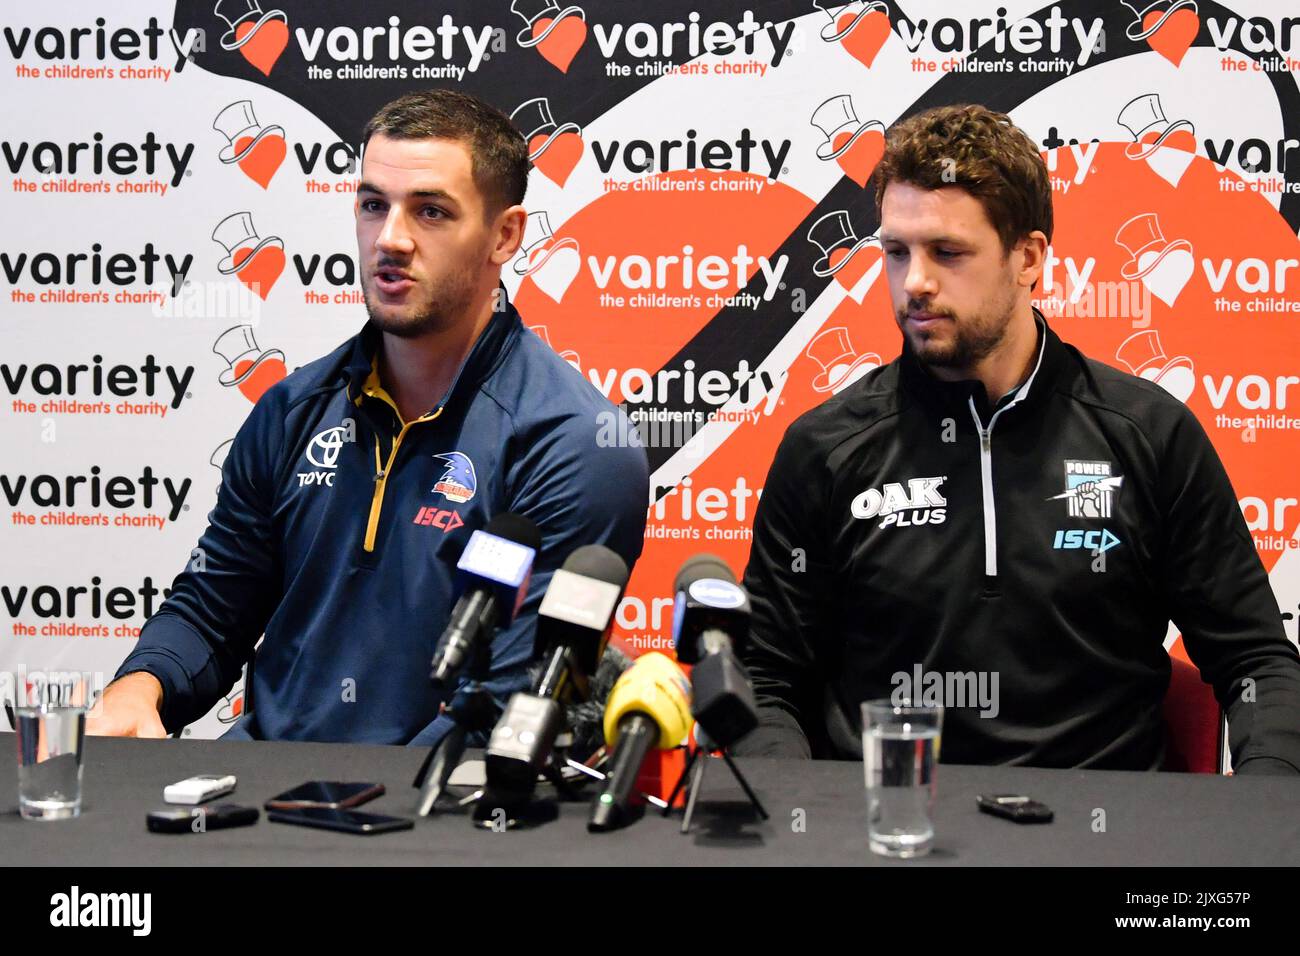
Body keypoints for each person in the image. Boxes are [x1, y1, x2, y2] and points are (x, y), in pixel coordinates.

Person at [736, 104, 1300, 773]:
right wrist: (795, 808)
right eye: (895, 252)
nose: (914, 281)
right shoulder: (825, 449)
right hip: (890, 831)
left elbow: (1256, 660)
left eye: (947, 253)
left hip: (1108, 836)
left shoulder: (1148, 435)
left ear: (1028, 258)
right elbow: (767, 678)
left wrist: (1271, 798)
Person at [89, 89, 649, 745]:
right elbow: (215, 610)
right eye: (373, 205)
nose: (391, 239)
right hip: (258, 789)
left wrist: (345, 810)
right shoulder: (290, 410)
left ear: (505, 235)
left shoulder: (576, 445)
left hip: (441, 813)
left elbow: (514, 703)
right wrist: (142, 683)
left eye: (431, 212)